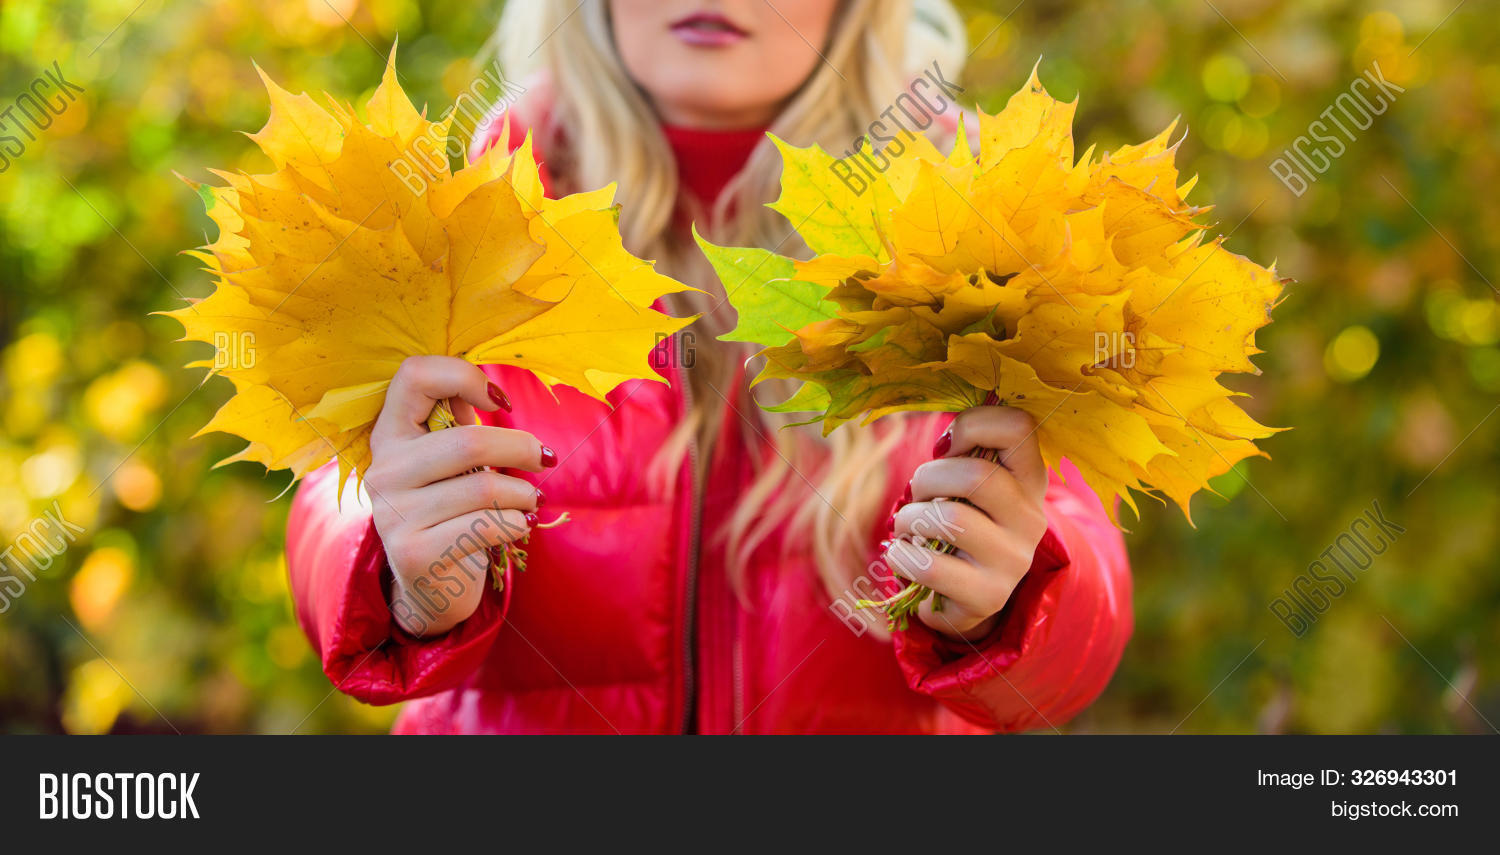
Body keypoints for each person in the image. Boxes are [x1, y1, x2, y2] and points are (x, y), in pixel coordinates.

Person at [286, 0, 1132, 734]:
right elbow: (342, 488)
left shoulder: (971, 233)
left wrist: (1014, 597)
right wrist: (397, 570)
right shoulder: (473, 217)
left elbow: (1081, 601)